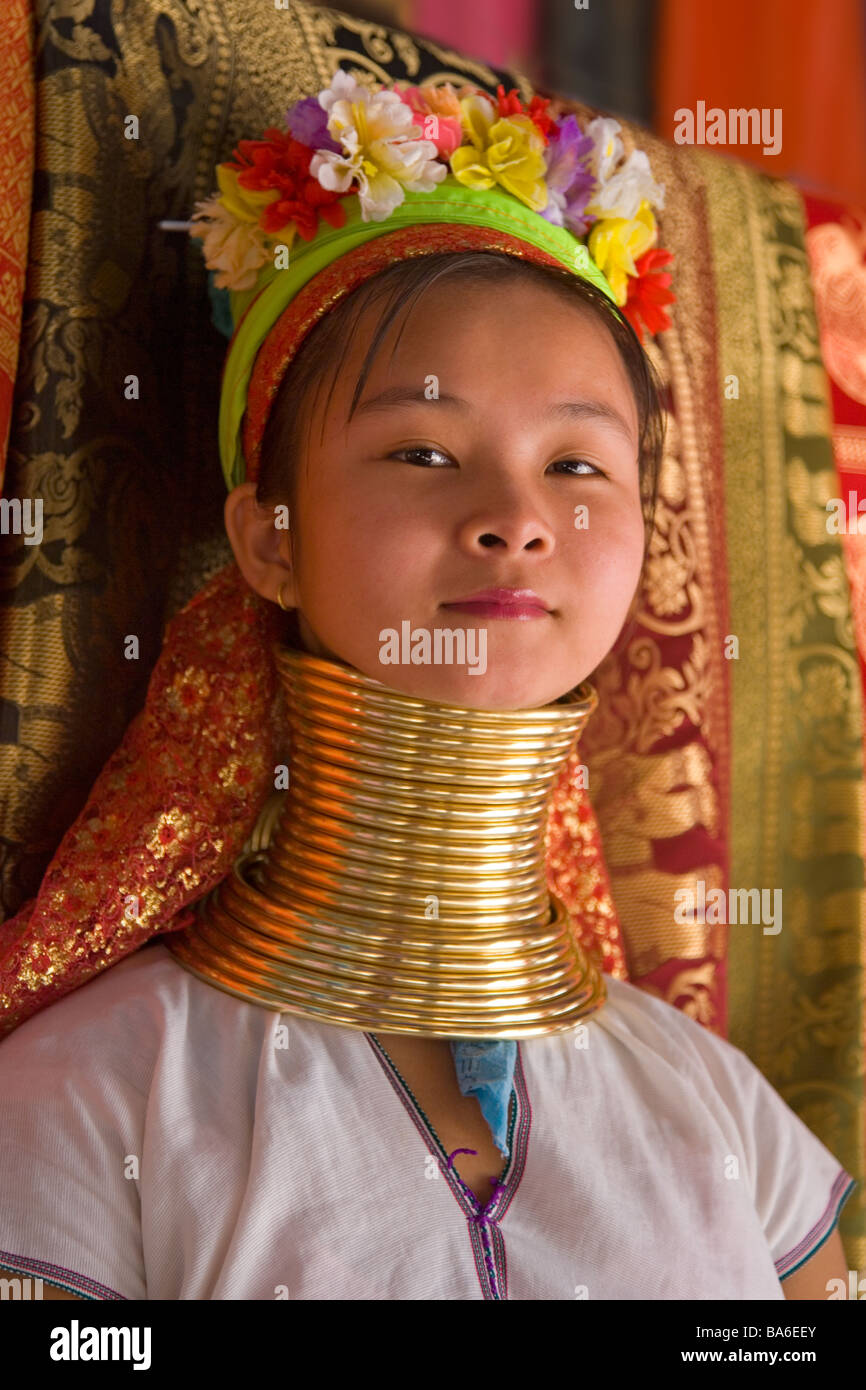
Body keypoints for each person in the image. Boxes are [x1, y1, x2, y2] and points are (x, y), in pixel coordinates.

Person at [0, 73, 855, 1301]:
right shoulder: (90, 1099)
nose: (513, 518)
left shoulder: (718, 1112)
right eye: (421, 452)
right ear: (268, 539)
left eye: (575, 461)